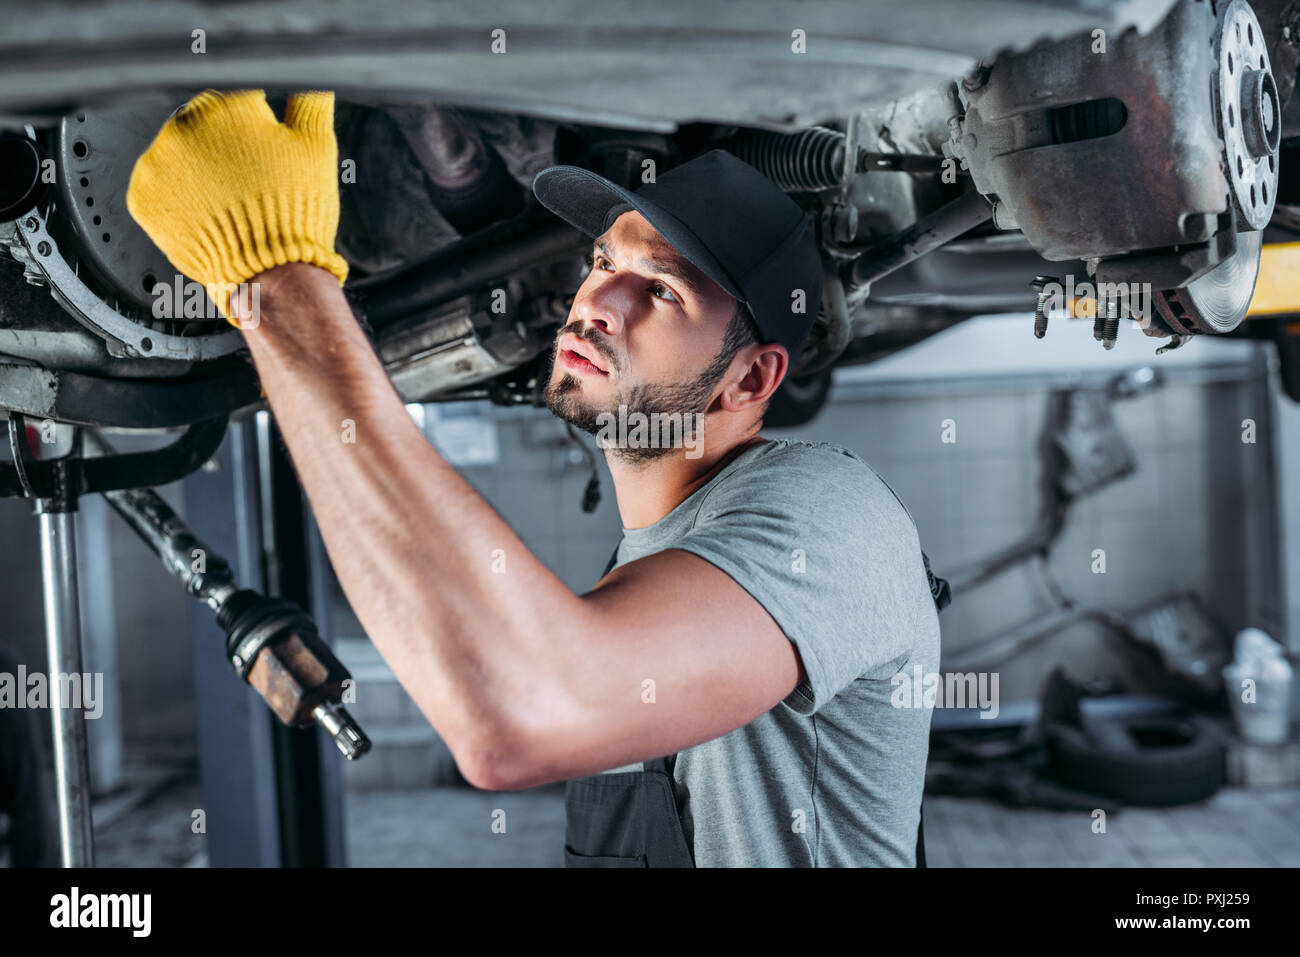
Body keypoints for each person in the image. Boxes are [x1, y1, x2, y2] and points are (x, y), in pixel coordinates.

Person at [126, 90, 943, 866]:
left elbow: (520, 713)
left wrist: (275, 278)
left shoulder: (830, 515)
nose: (596, 302)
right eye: (602, 260)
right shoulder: (649, 571)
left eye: (660, 289)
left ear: (752, 381)